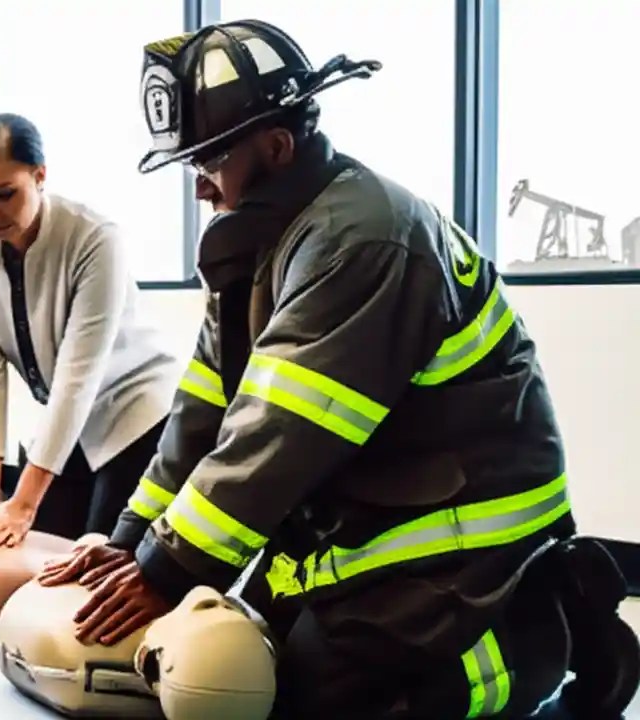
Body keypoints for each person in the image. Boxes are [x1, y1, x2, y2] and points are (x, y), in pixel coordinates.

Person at [38, 20, 639, 719]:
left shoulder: (363, 239)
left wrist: (167, 568)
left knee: (317, 698)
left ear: (277, 146)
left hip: (465, 528)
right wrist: (131, 541)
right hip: (368, 510)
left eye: (209, 165)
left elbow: (279, 435)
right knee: (232, 659)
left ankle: (549, 631)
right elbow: (205, 410)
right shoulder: (263, 245)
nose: (200, 190)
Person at [0, 111, 184, 556]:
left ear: (40, 176)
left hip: (135, 413)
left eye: (4, 194)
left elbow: (77, 378)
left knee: (97, 556)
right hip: (59, 424)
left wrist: (23, 503)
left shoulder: (96, 238)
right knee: (30, 551)